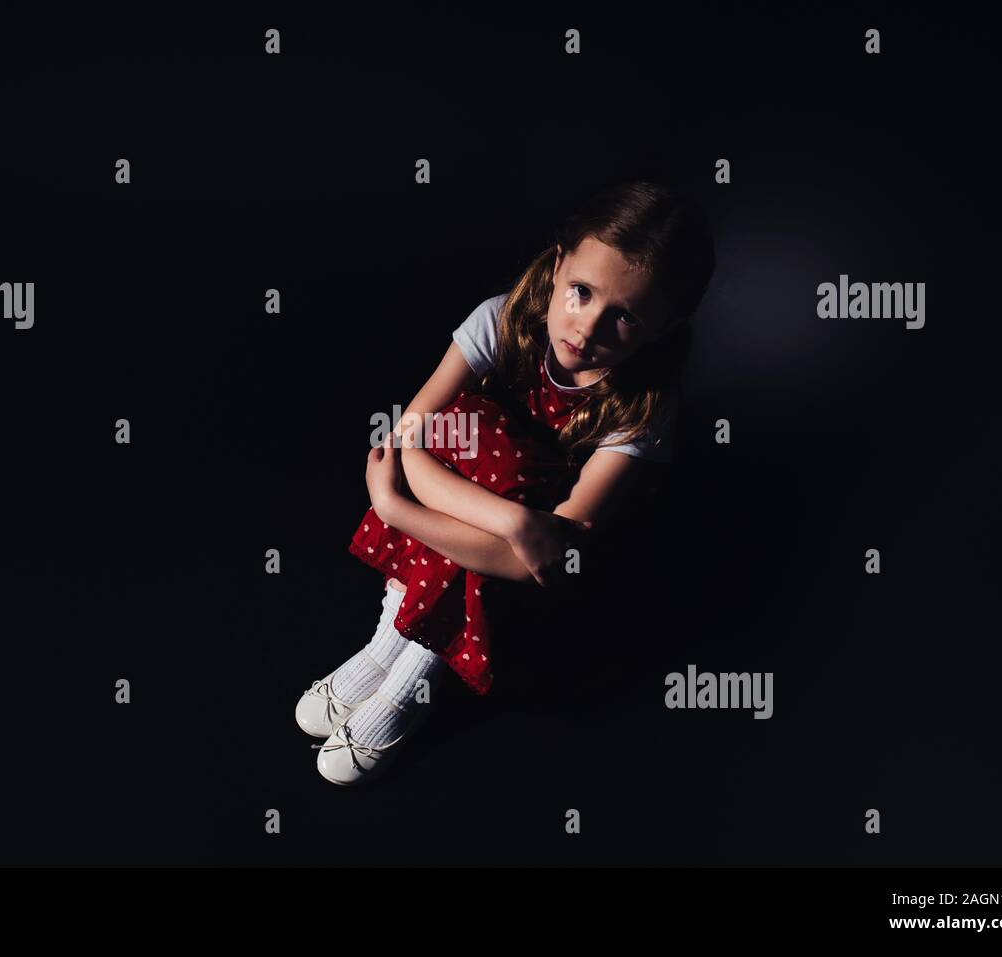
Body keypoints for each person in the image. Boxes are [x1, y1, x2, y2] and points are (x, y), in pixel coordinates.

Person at [296, 181, 716, 785]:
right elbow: (409, 434)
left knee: (505, 468)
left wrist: (422, 508)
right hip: (482, 514)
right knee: (467, 431)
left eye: (623, 317)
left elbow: (543, 560)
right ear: (558, 263)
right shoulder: (501, 318)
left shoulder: (645, 408)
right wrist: (503, 521)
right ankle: (388, 646)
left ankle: (414, 677)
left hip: (527, 564)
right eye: (580, 292)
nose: (588, 327)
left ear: (664, 327)